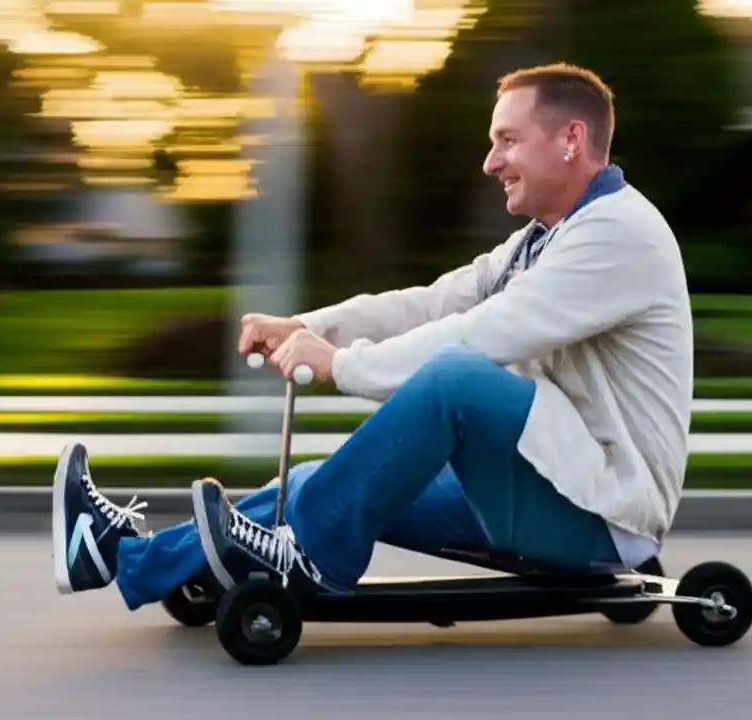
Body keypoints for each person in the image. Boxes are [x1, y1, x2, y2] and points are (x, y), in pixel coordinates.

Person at [52, 62, 693, 608]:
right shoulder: (544, 238)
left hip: (601, 516)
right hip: (546, 477)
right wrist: (306, 327)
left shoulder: (616, 234)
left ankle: (311, 560)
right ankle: (121, 559)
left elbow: (485, 335)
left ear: (570, 139)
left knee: (455, 379)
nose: (490, 160)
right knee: (314, 483)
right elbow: (431, 303)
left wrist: (342, 366)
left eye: (508, 140)